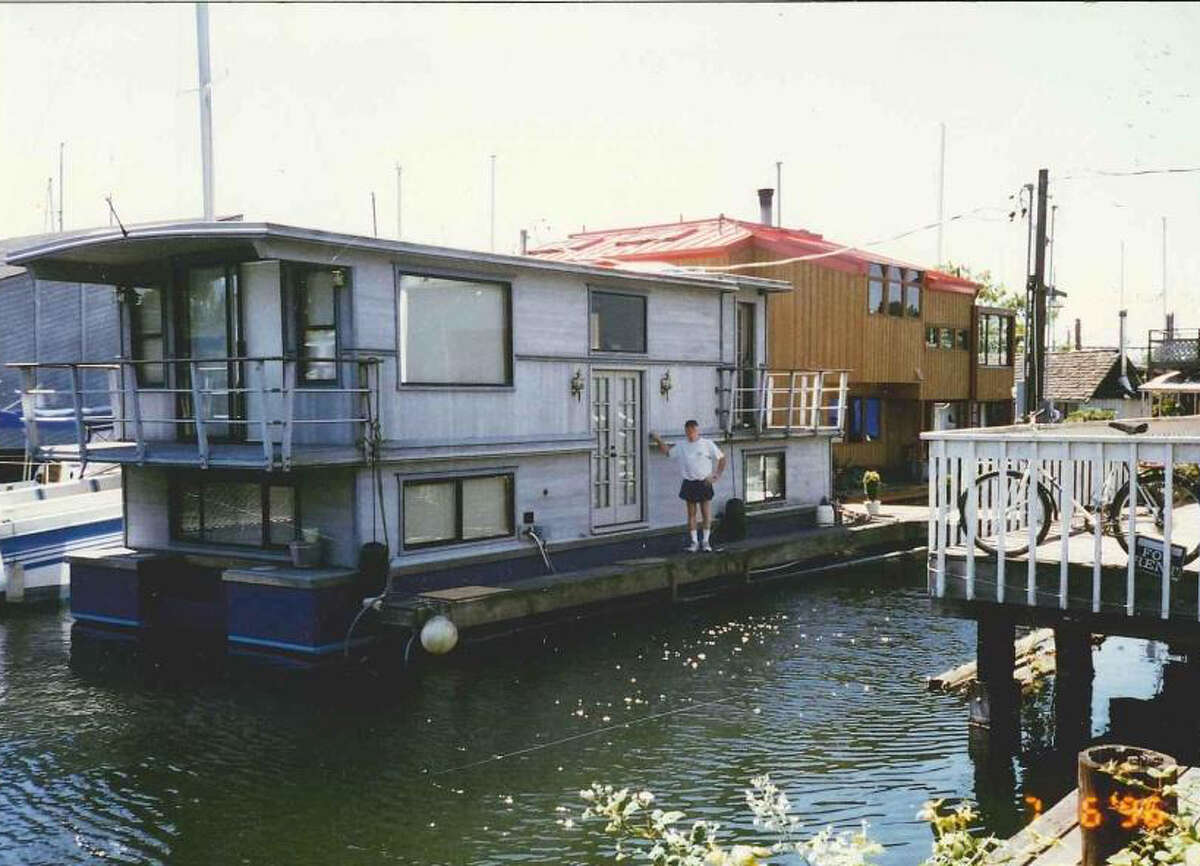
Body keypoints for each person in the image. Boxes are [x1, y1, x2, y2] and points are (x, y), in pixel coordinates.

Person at [650, 420, 727, 552]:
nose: (690, 434)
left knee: (705, 513)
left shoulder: (707, 444)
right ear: (685, 432)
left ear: (697, 431)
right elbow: (668, 452)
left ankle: (706, 541)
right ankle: (694, 542)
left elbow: (722, 458)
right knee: (691, 514)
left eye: (693, 431)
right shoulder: (681, 445)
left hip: (704, 481)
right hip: (689, 482)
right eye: (688, 431)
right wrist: (658, 439)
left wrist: (716, 475)